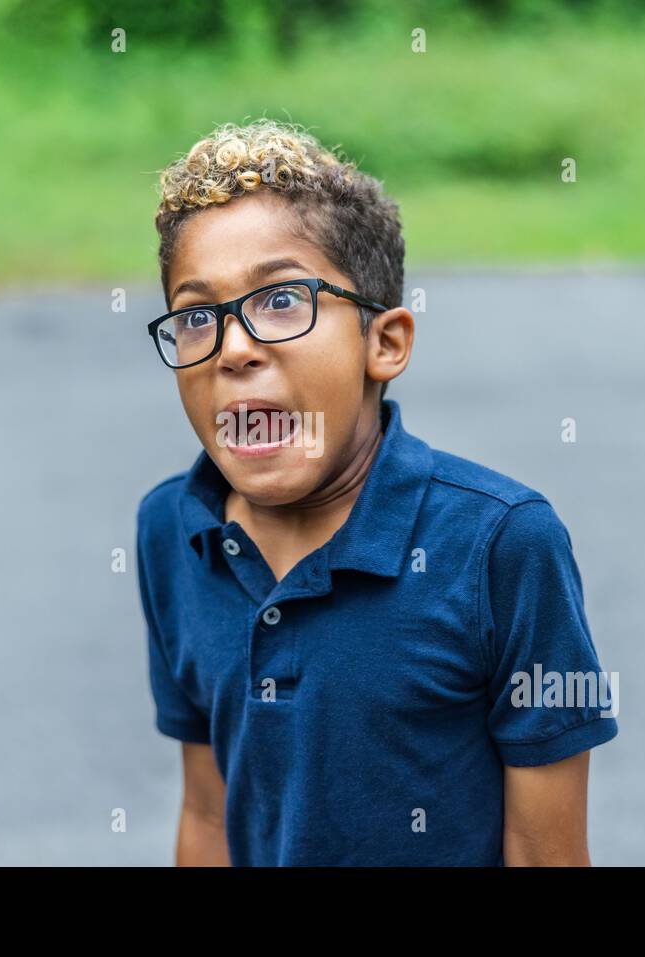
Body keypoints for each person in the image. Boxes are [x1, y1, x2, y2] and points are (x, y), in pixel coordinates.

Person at [136, 119, 617, 865]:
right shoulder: (173, 528)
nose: (232, 348)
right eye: (197, 316)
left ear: (384, 342)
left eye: (281, 301)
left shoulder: (504, 545)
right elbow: (206, 814)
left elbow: (544, 852)